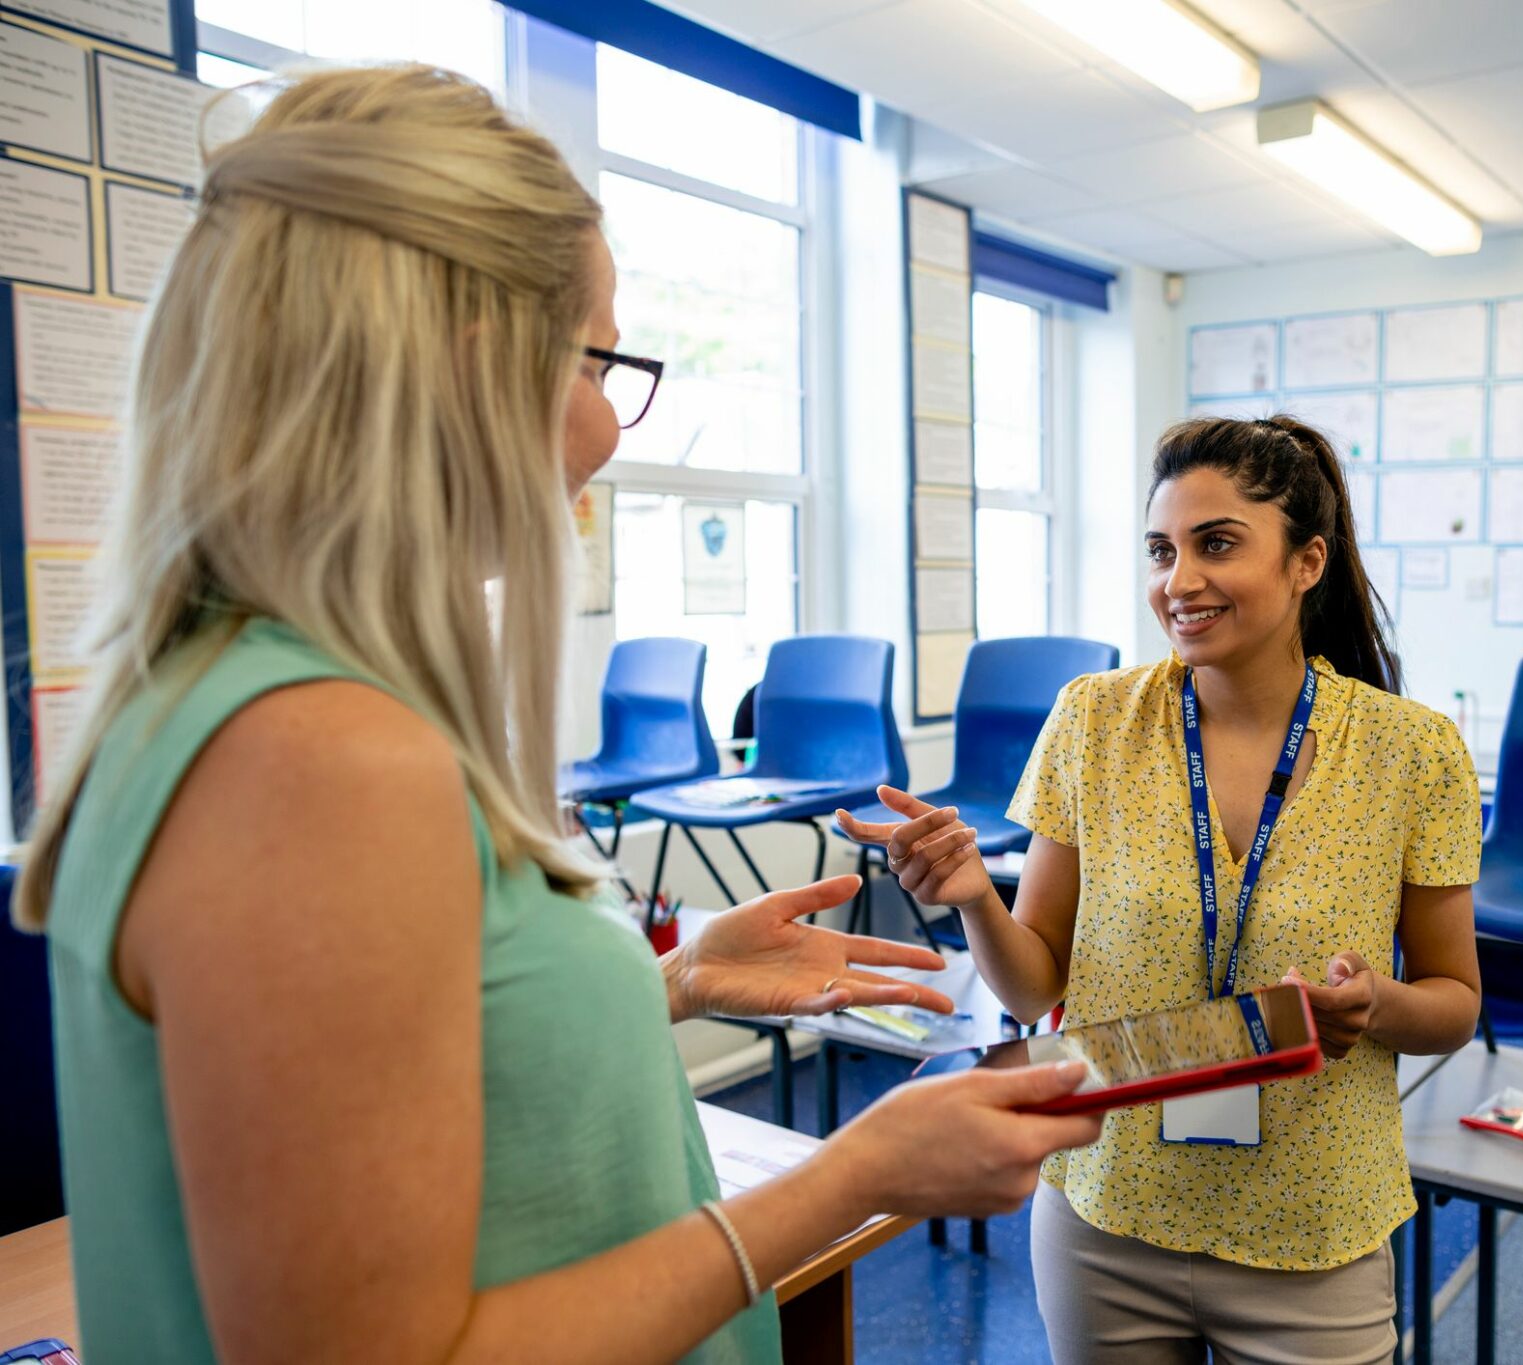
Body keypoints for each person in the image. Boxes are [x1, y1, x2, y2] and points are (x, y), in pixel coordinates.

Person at [13, 66, 1099, 1365]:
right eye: (601, 360)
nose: (607, 425)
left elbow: (403, 1085)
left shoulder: (233, 702)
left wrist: (671, 981)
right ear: (475, 364)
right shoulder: (317, 760)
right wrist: (854, 1174)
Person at [840, 414, 1484, 1364]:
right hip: (1107, 1210)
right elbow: (1033, 984)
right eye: (1160, 549)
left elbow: (1455, 1000)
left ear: (1306, 563)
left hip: (1312, 1224)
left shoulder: (1411, 750)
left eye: (1216, 544)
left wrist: (1377, 1003)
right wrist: (975, 896)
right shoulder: (1094, 719)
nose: (1178, 581)